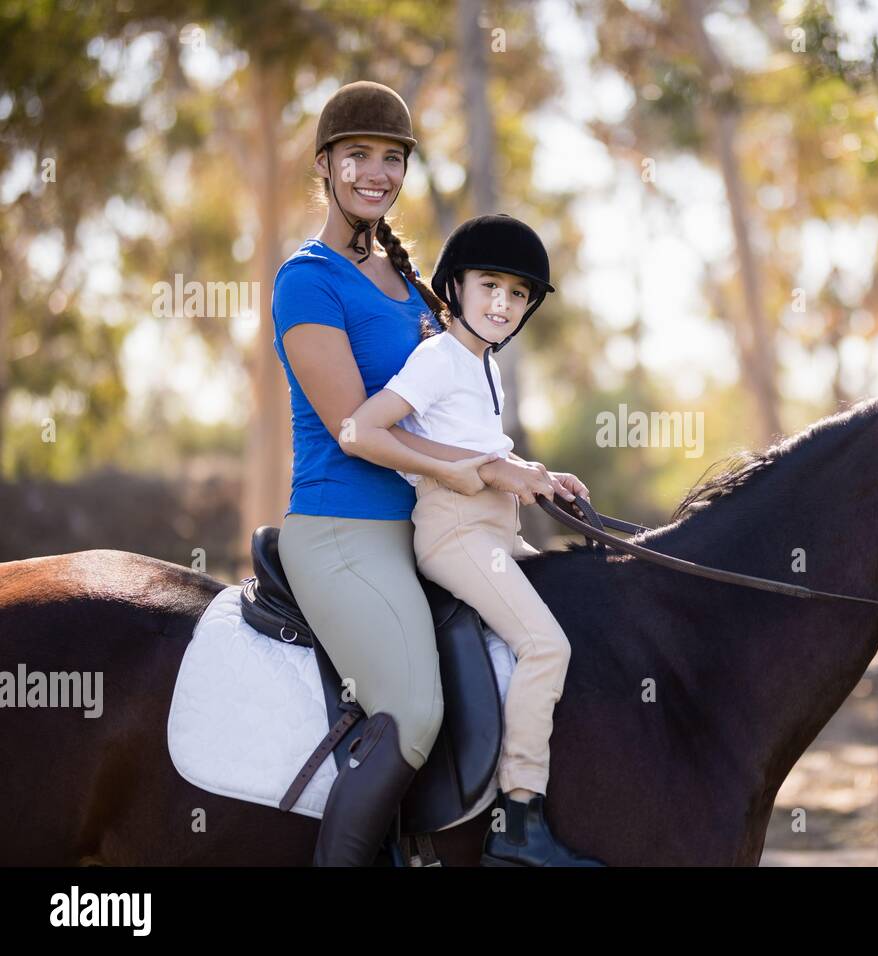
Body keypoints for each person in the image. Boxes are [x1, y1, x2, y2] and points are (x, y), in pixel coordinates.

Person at [272, 81, 516, 866]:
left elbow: (453, 408)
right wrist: (472, 469)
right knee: (413, 712)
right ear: (325, 164)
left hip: (428, 528)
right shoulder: (307, 280)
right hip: (345, 532)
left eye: (391, 158)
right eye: (357, 156)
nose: (375, 172)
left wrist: (517, 469)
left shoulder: (414, 286)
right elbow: (355, 432)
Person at [343, 213, 606, 866]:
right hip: (456, 532)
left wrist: (540, 475)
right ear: (456, 286)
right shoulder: (438, 359)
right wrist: (480, 471)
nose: (503, 304)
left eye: (518, 295)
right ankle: (517, 819)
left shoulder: (481, 367)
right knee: (545, 644)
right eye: (490, 285)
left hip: (495, 529)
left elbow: (485, 447)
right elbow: (362, 430)